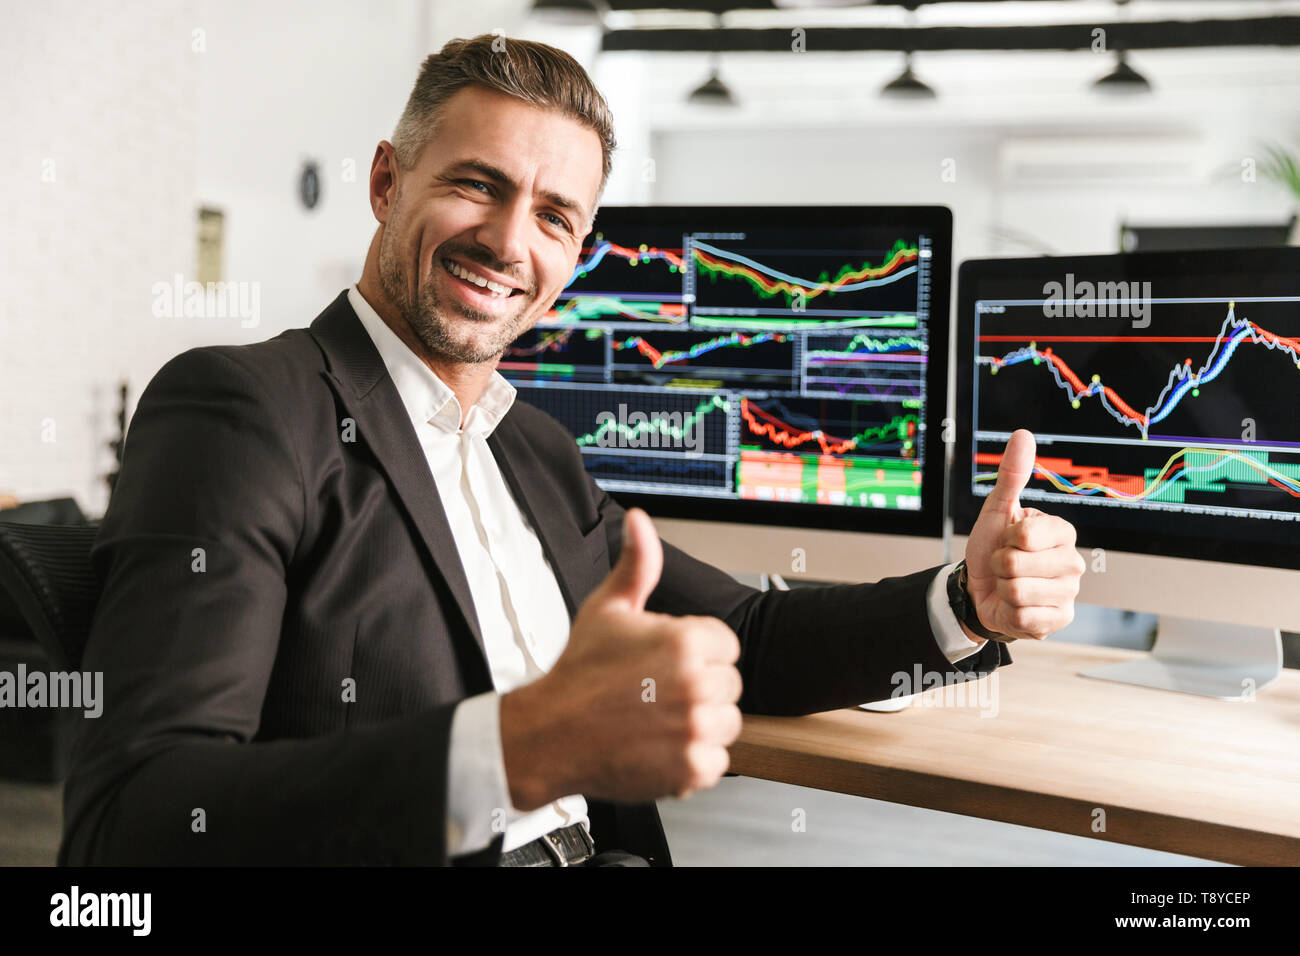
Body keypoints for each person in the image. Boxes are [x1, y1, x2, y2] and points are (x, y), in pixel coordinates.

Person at [59, 34, 1084, 868]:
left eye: (553, 215)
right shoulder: (246, 408)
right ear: (385, 181)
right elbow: (135, 818)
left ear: (576, 255)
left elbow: (752, 635)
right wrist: (516, 750)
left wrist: (964, 602)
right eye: (476, 184)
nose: (510, 241)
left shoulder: (535, 450)